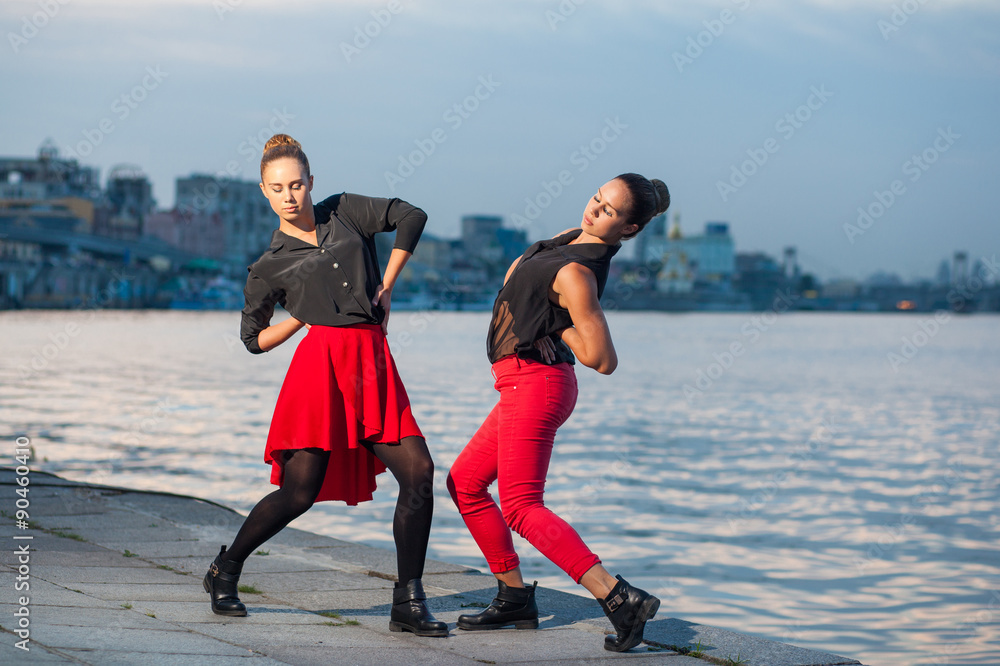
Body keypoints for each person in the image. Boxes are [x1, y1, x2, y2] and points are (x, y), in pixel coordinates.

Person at [203, 134, 446, 637]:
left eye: (296, 184)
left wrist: (387, 284)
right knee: (299, 493)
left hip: (371, 363)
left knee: (419, 472)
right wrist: (298, 319)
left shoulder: (345, 211)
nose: (289, 196)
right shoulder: (269, 264)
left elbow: (412, 216)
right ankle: (225, 569)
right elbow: (252, 340)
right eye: (277, 188)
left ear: (311, 181)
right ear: (264, 192)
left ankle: (408, 600)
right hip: (319, 372)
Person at [446, 173, 670, 652]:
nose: (594, 210)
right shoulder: (568, 240)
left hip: (538, 385)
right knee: (464, 482)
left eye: (609, 211)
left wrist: (559, 325)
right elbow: (516, 284)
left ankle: (618, 596)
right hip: (518, 382)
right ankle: (513, 598)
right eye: (597, 198)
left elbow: (603, 360)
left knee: (522, 507)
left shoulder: (578, 272)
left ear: (628, 229)